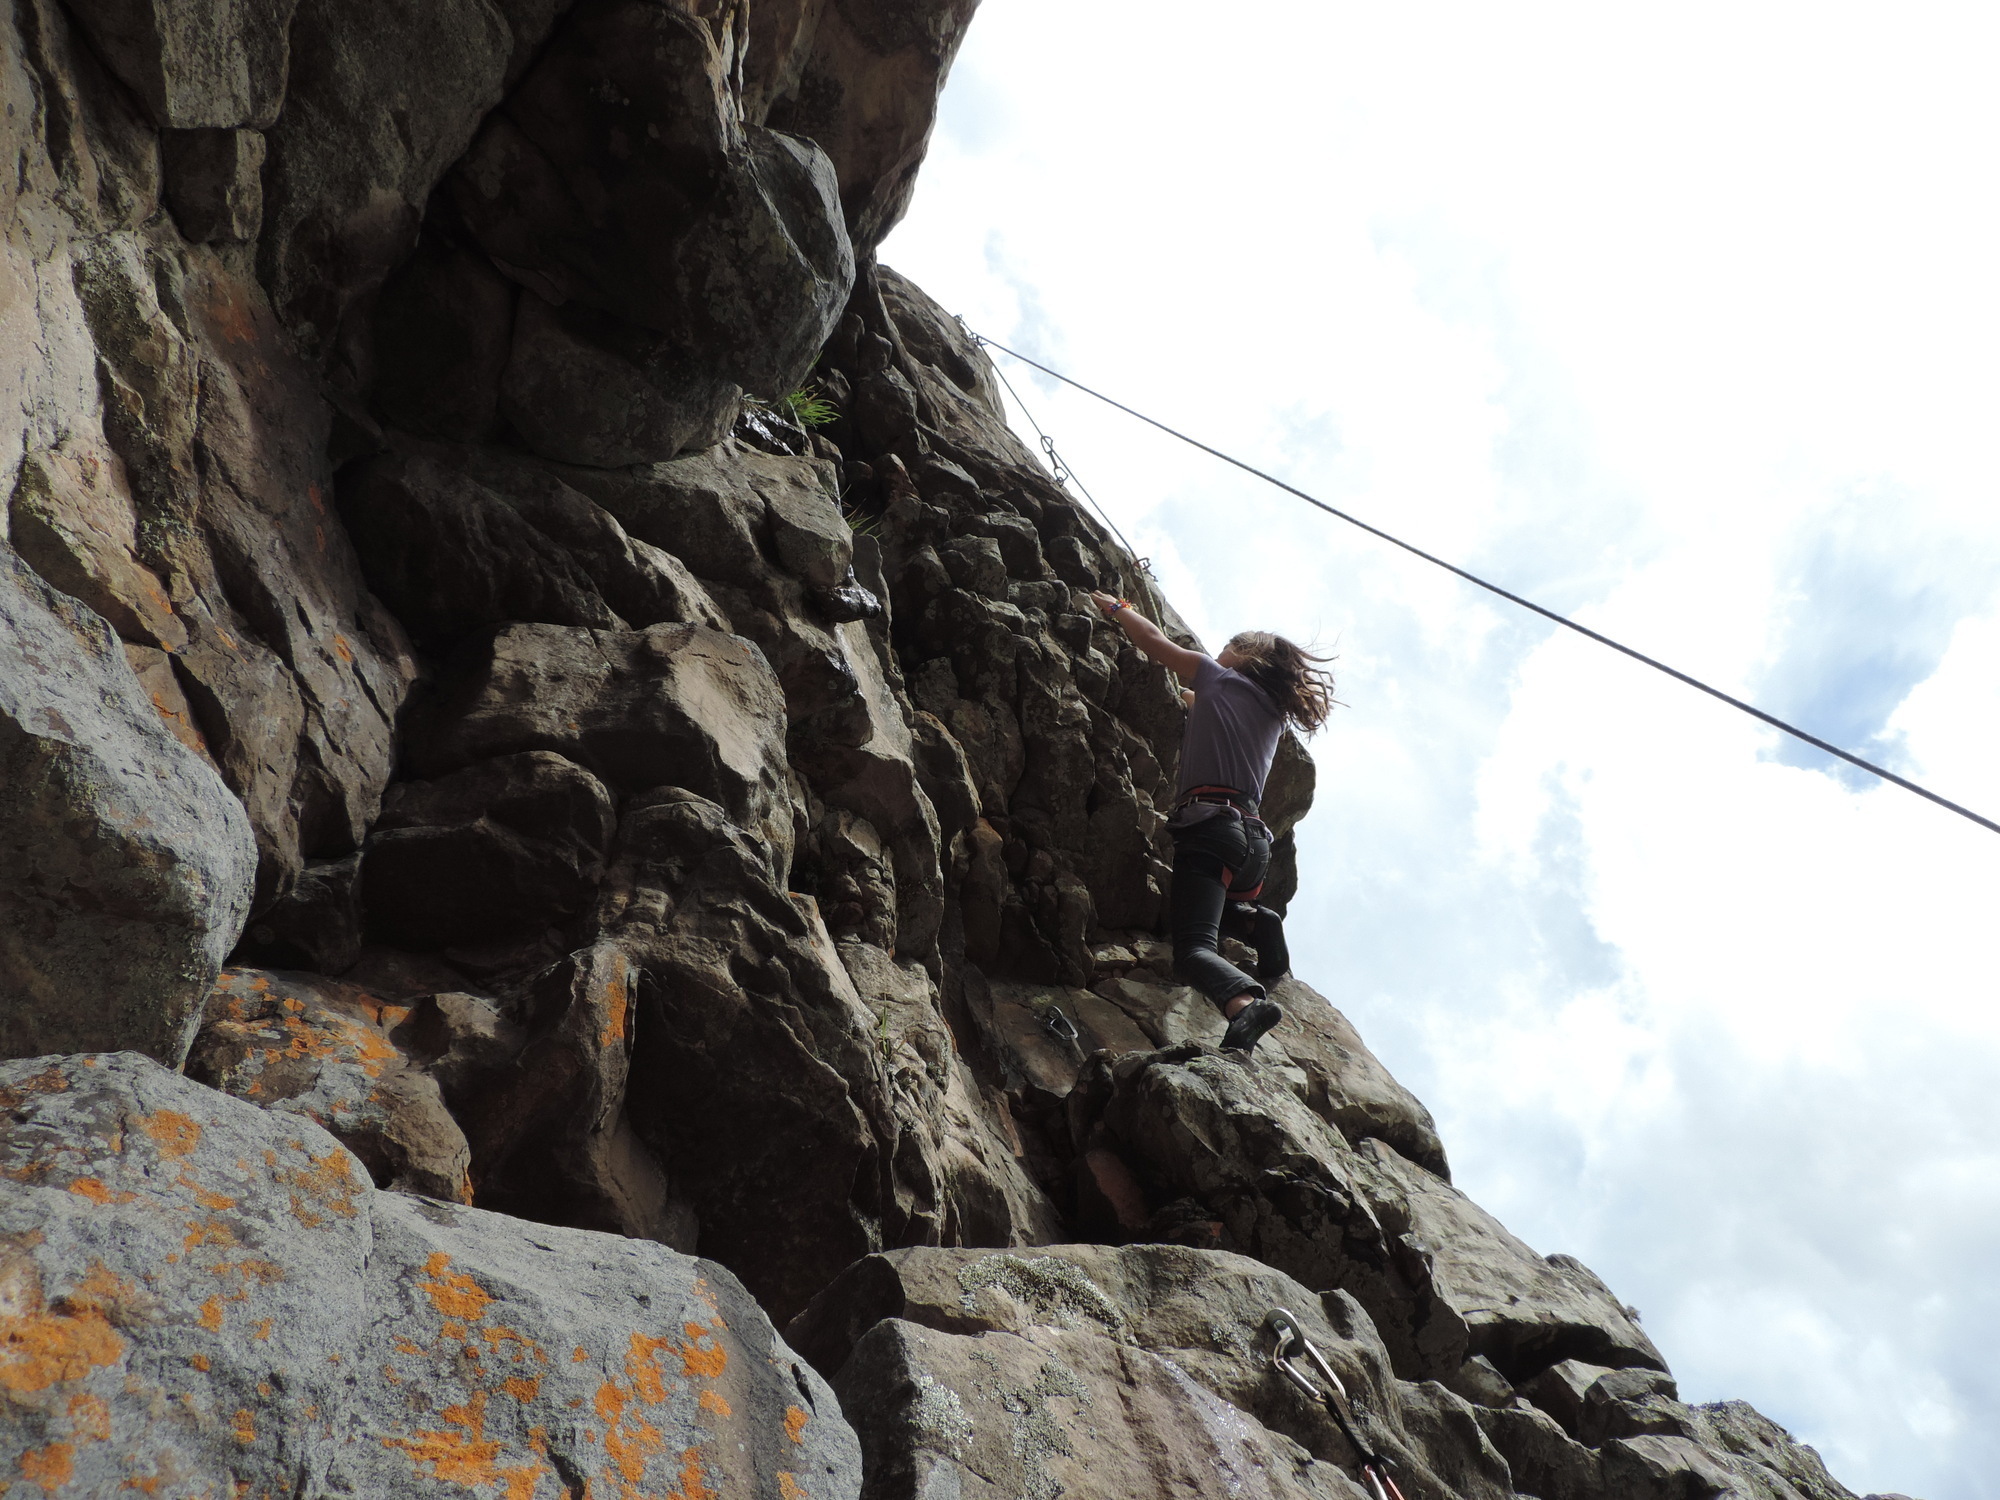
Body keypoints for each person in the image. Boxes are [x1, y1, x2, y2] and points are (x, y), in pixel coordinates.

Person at [1091, 591, 1336, 1052]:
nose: (1218, 649)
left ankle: (1245, 1005)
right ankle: (1253, 920)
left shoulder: (1215, 676)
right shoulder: (1270, 714)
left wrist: (1118, 607)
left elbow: (1153, 640)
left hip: (1211, 831)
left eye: (1228, 645)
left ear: (1244, 655)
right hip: (1252, 848)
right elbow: (1208, 710)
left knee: (1193, 949)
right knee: (1214, 903)